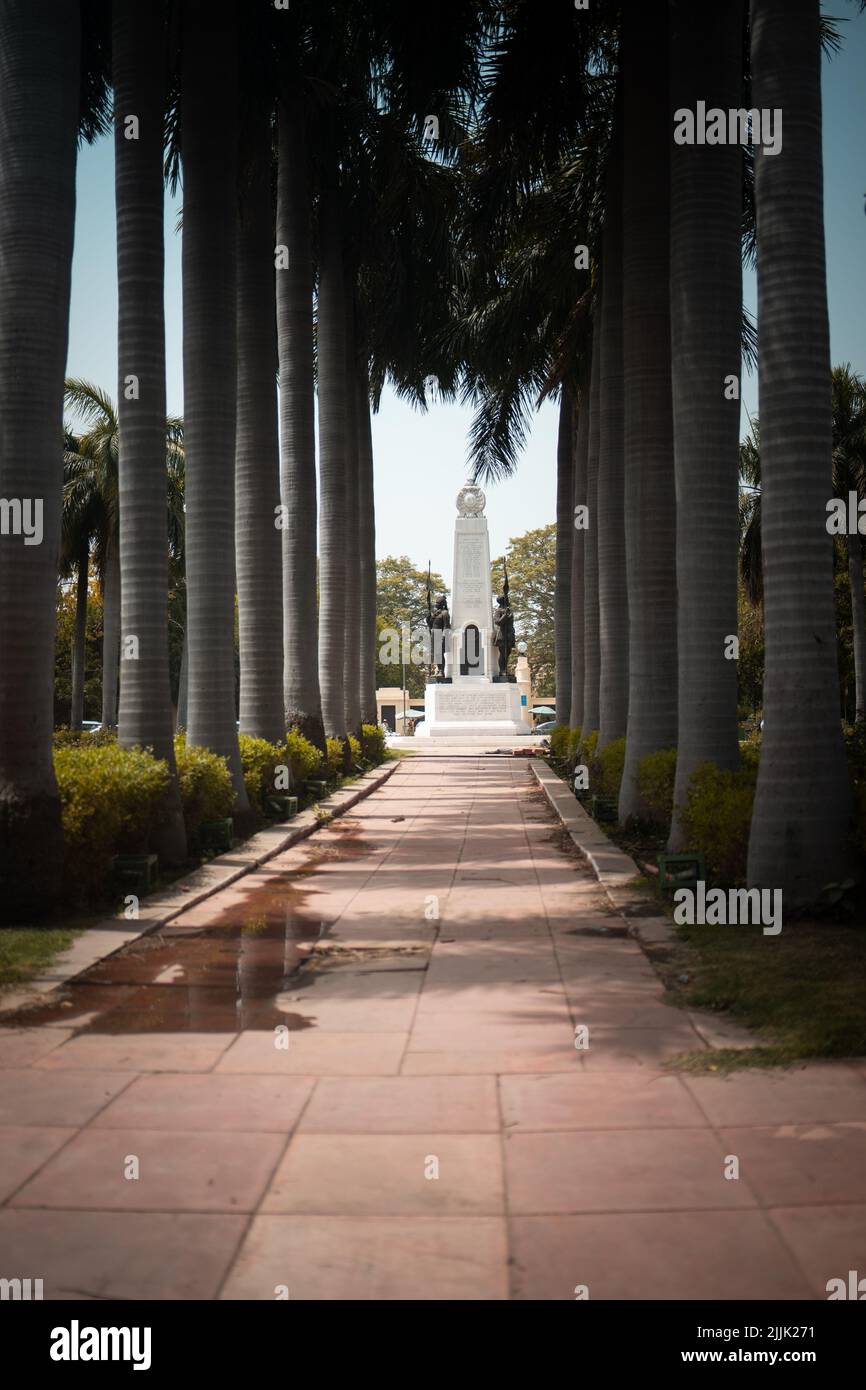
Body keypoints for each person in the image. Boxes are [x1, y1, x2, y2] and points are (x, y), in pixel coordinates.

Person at [492, 593, 515, 676]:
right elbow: (497, 622)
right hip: (502, 634)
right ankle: (502, 671)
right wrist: (505, 616)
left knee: (508, 653)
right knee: (503, 653)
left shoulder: (509, 609)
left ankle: (505, 669)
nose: (508, 600)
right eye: (506, 599)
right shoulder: (498, 611)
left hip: (509, 634)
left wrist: (508, 614)